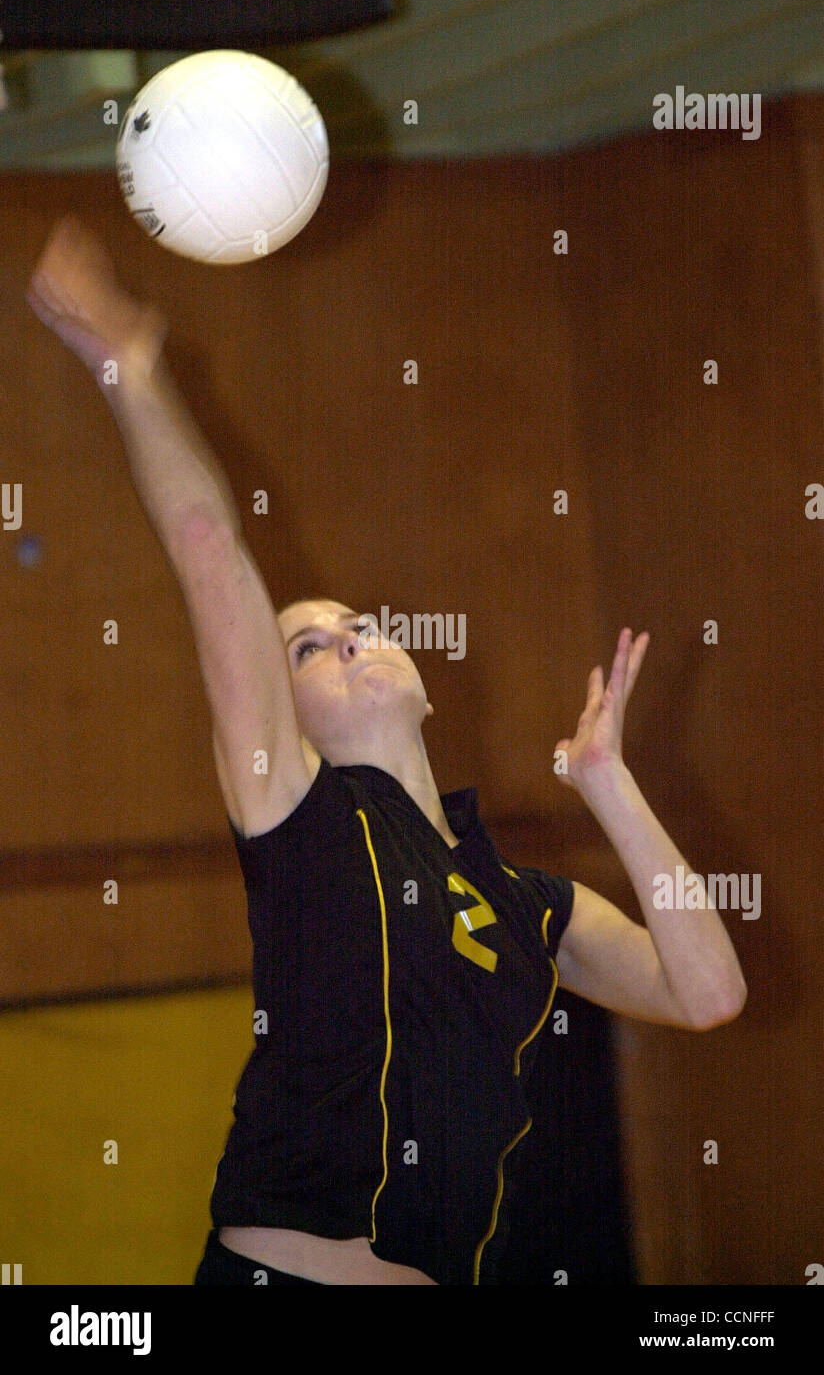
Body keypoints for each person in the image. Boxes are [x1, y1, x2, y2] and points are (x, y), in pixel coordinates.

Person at [26, 215, 748, 1287]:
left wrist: (608, 784)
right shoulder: (297, 815)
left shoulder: (523, 899)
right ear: (286, 710)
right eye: (307, 645)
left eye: (358, 623)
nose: (348, 638)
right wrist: (127, 368)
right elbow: (207, 549)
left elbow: (703, 994)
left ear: (417, 682)